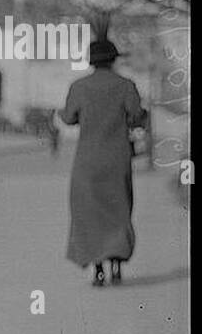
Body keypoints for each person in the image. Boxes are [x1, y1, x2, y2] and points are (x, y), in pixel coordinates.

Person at [60, 31, 147, 286]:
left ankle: (97, 268)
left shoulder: (79, 86)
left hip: (87, 160)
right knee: (118, 210)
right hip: (117, 158)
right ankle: (117, 266)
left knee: (88, 212)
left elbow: (68, 118)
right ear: (113, 60)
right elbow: (136, 116)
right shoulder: (126, 85)